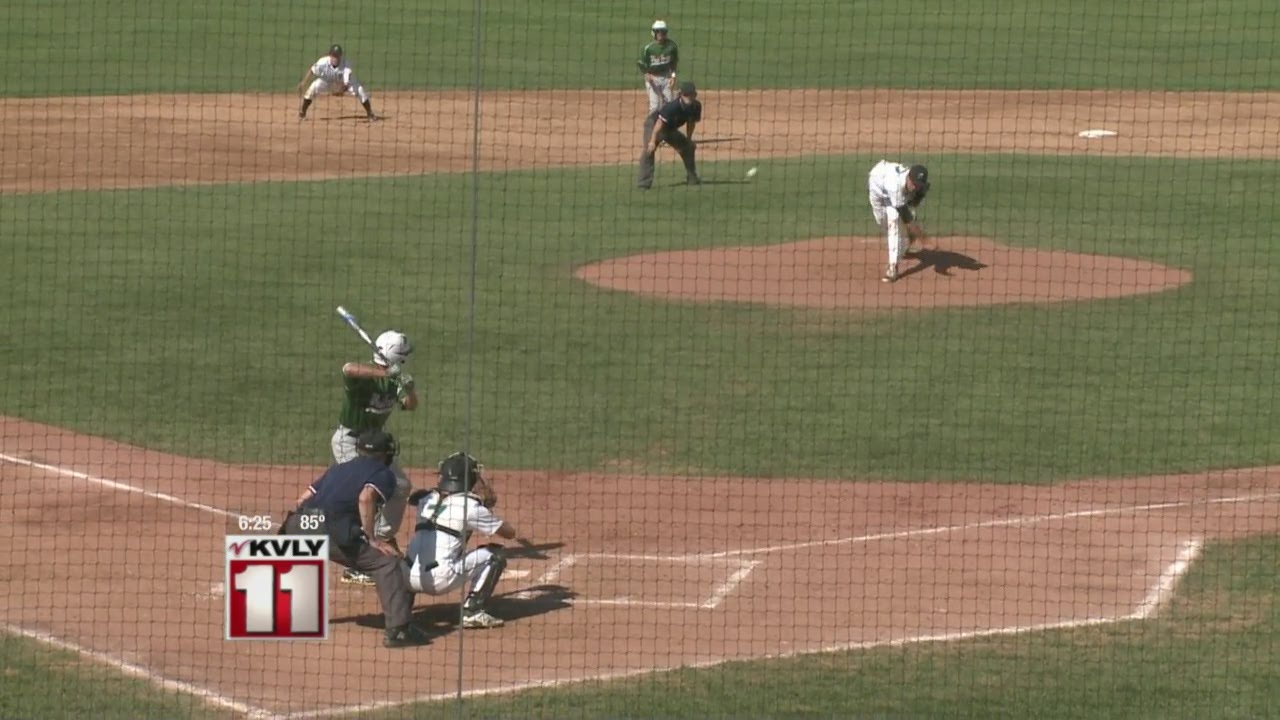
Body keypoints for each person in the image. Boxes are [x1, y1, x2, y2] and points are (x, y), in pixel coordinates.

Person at [281, 429, 429, 648]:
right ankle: (398, 631)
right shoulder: (383, 473)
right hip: (330, 528)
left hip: (295, 525)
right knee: (386, 563)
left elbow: (301, 499)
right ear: (386, 453)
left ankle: (269, 612)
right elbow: (365, 497)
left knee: (291, 555)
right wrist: (371, 538)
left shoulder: (338, 468)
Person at [331, 329, 418, 586]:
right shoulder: (365, 377)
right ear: (396, 357)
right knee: (360, 494)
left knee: (400, 486)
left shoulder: (395, 380)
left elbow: (411, 406)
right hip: (350, 441)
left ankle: (381, 536)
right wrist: (384, 373)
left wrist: (409, 389)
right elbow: (348, 368)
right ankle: (357, 562)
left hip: (377, 445)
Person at [403, 452, 525, 629]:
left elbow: (417, 498)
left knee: (418, 550)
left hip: (407, 578)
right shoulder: (471, 508)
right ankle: (472, 612)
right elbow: (509, 533)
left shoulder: (425, 499)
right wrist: (485, 506)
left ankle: (402, 608)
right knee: (495, 555)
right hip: (439, 580)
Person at [867, 160, 931, 282]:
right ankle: (905, 239)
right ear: (908, 178)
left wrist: (917, 195)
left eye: (919, 185)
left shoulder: (914, 184)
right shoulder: (894, 186)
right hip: (877, 189)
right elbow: (906, 218)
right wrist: (923, 238)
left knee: (894, 223)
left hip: (894, 194)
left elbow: (914, 200)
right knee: (883, 222)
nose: (916, 187)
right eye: (914, 184)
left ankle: (892, 268)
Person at [637, 81, 702, 190]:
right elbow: (659, 124)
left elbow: (691, 122)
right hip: (654, 125)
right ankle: (643, 184)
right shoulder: (672, 107)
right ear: (681, 95)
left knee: (688, 147)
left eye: (691, 94)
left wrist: (688, 139)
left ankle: (692, 178)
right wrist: (652, 141)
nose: (689, 97)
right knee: (649, 150)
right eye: (686, 95)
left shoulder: (696, 106)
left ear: (695, 95)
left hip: (669, 129)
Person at [297, 44, 378, 122]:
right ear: (330, 55)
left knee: (360, 90)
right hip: (327, 81)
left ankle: (370, 113)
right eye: (333, 55)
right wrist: (303, 82)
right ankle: (302, 113)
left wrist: (340, 91)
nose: (335, 58)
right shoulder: (322, 62)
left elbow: (346, 83)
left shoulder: (346, 65)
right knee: (313, 87)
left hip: (342, 82)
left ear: (340, 56)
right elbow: (312, 70)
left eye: (337, 56)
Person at [637, 20, 680, 115]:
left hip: (666, 78)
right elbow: (641, 63)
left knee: (669, 105)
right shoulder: (648, 48)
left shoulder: (672, 46)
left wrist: (673, 76)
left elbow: (674, 63)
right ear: (654, 33)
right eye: (658, 31)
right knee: (654, 107)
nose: (660, 34)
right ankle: (651, 128)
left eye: (663, 31)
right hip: (653, 79)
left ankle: (666, 128)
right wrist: (647, 74)